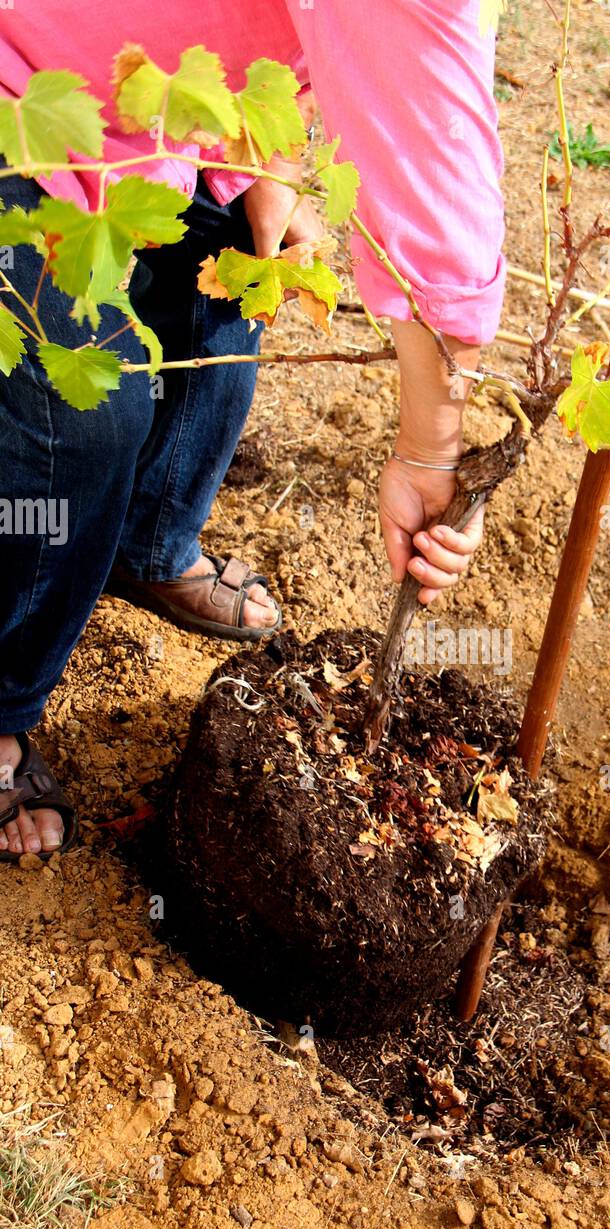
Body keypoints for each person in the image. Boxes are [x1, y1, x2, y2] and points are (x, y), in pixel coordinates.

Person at [0, 1, 506, 861]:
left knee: (239, 265)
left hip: (146, 115)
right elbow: (437, 209)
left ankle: (145, 544)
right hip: (23, 101)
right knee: (86, 413)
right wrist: (428, 451)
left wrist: (266, 170)